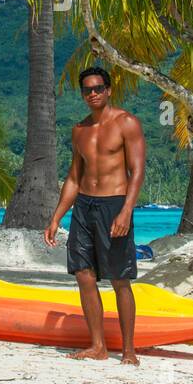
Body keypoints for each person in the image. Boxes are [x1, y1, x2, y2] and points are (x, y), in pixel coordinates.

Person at [43, 66, 146, 364]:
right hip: (84, 207)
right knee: (84, 276)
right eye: (87, 90)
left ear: (109, 89)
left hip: (114, 205)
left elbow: (137, 171)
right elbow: (74, 178)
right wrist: (56, 217)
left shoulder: (127, 123)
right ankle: (98, 347)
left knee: (119, 279)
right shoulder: (80, 130)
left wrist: (126, 210)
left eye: (98, 88)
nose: (93, 94)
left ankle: (129, 350)